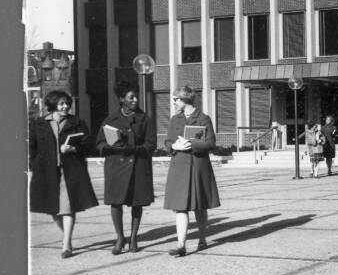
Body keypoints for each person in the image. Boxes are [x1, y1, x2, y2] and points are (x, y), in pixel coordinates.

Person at [28, 90, 98, 258]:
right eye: (61, 104)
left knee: (67, 207)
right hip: (46, 172)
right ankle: (65, 238)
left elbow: (88, 144)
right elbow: (32, 147)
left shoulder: (77, 122)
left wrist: (74, 148)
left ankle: (66, 244)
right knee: (53, 209)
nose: (65, 106)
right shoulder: (38, 124)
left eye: (67, 103)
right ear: (52, 105)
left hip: (71, 170)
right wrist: (35, 166)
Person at [96, 80, 157, 254]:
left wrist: (134, 149)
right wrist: (109, 147)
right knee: (115, 203)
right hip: (116, 166)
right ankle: (120, 237)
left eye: (136, 96)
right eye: (131, 97)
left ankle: (134, 238)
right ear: (122, 99)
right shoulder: (111, 119)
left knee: (137, 203)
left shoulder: (145, 118)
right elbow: (100, 142)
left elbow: (151, 143)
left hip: (138, 165)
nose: (135, 100)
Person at [163, 85, 220, 257]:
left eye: (175, 99)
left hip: (198, 165)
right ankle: (181, 244)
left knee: (200, 206)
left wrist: (191, 144)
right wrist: (174, 145)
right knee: (180, 207)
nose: (173, 103)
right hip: (179, 166)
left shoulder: (203, 118)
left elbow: (211, 143)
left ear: (184, 100)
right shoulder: (175, 119)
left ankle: (202, 239)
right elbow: (167, 142)